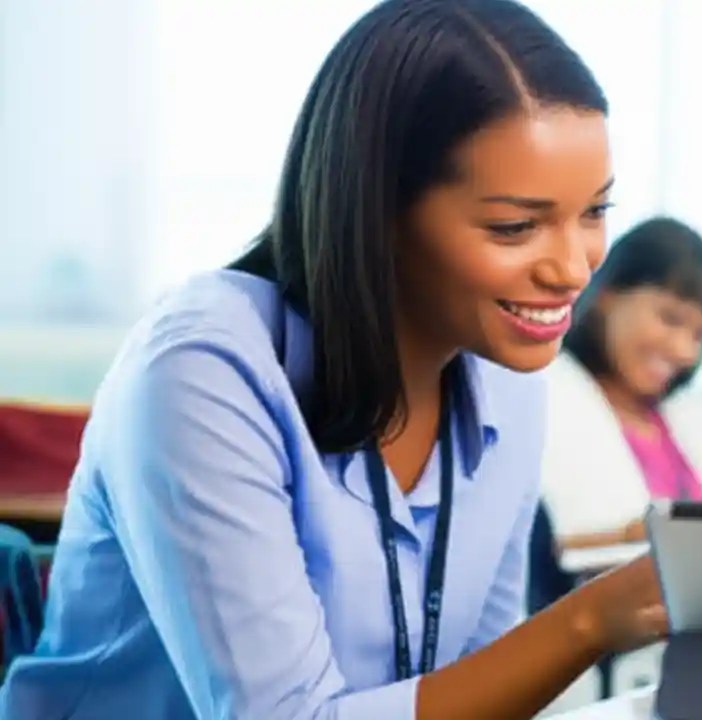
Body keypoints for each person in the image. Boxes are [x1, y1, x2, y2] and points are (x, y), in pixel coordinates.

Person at [0, 2, 665, 718]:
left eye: (594, 213)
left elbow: (486, 680)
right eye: (515, 226)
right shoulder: (201, 372)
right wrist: (588, 621)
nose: (573, 269)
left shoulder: (508, 374)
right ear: (375, 210)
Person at [540, 217, 702, 550]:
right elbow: (538, 551)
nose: (685, 350)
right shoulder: (546, 393)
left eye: (700, 335)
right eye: (670, 318)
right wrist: (634, 537)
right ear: (607, 295)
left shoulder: (691, 417)